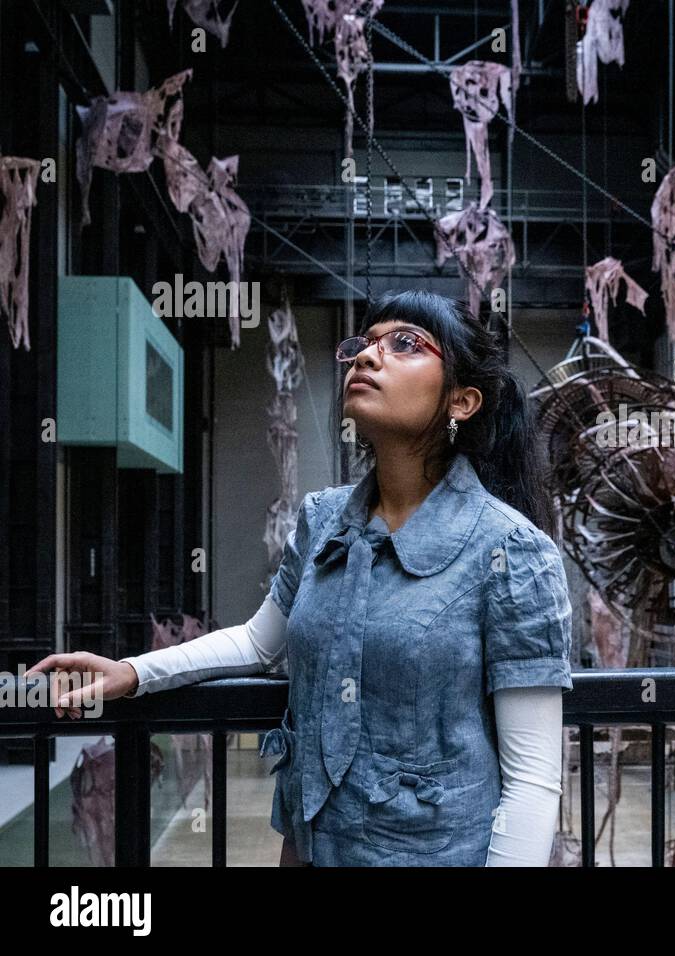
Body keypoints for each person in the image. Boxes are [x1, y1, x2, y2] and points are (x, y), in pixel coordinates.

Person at [32, 290, 573, 867]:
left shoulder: (511, 551)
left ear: (462, 401)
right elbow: (259, 641)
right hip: (309, 848)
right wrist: (132, 671)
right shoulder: (323, 519)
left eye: (405, 344)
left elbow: (532, 781)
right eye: (362, 344)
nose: (367, 357)